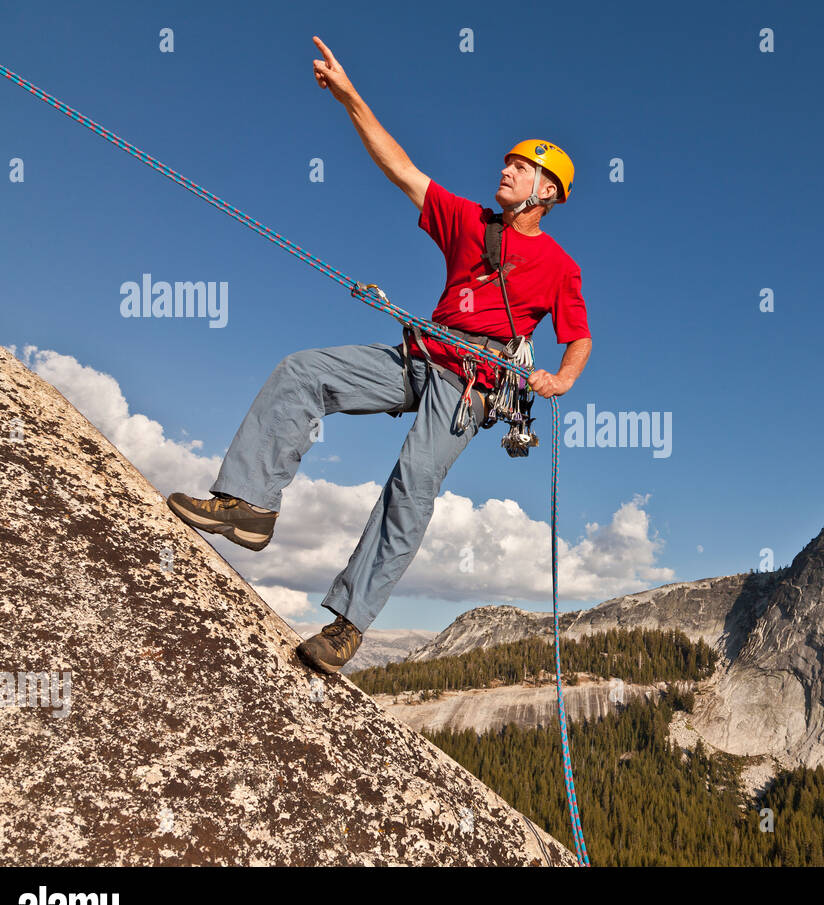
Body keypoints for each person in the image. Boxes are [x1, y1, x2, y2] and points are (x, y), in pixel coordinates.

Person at [168, 36, 592, 674]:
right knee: (303, 370)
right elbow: (400, 167)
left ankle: (346, 627)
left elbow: (578, 334)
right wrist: (349, 98)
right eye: (506, 163)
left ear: (546, 193)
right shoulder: (468, 222)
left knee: (412, 483)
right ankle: (250, 506)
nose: (504, 170)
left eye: (521, 168)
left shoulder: (559, 266)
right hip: (420, 354)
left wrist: (560, 378)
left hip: (471, 384)